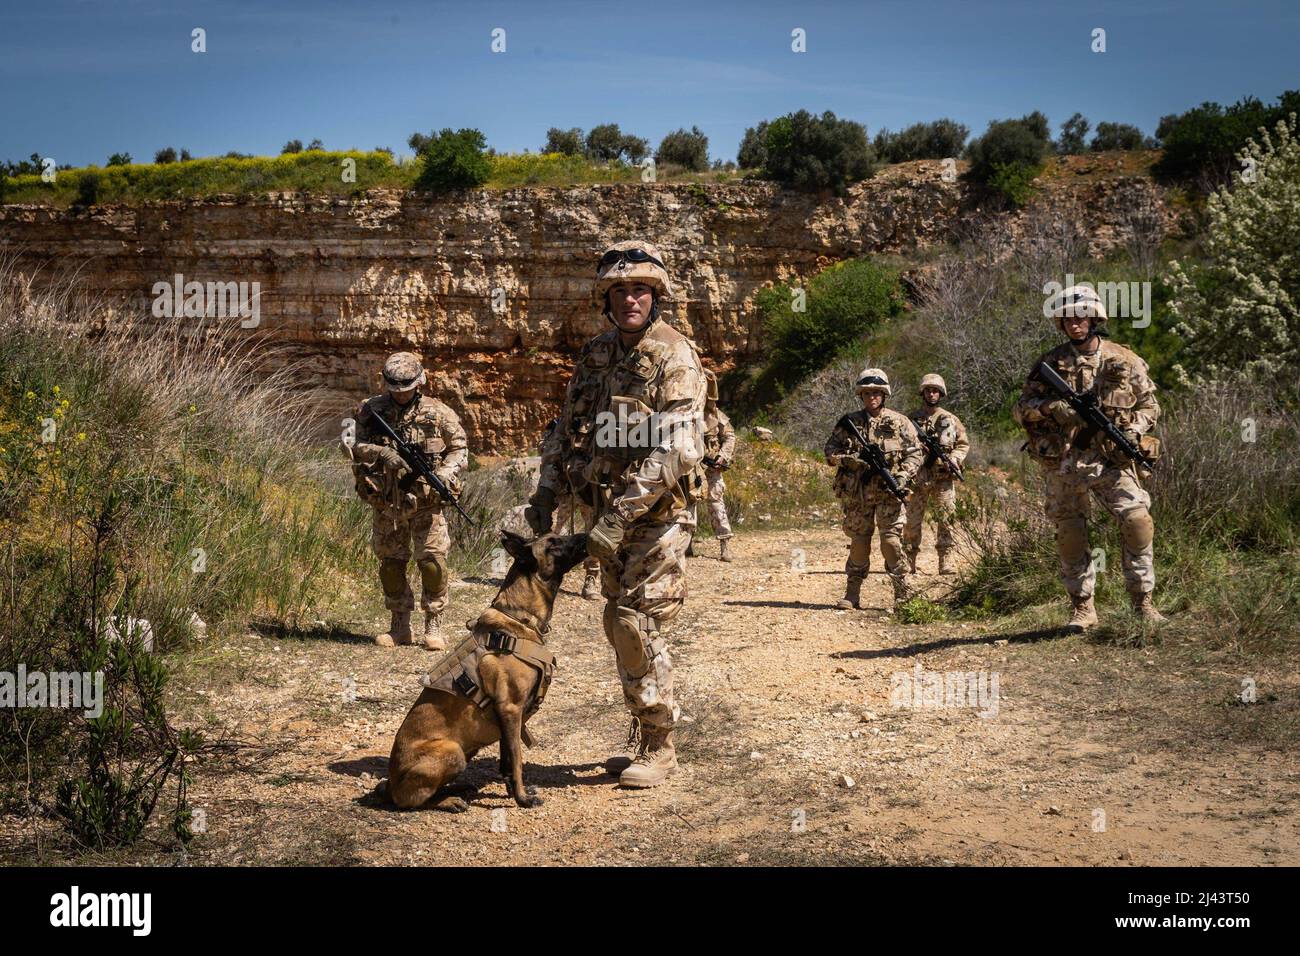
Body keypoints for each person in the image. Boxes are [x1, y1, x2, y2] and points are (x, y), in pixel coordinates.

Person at [525, 240, 706, 788]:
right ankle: (642, 732)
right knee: (617, 622)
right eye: (621, 290)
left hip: (655, 516)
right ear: (606, 297)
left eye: (641, 289)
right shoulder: (598, 353)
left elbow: (679, 447)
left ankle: (660, 745)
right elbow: (565, 428)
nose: (631, 299)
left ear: (657, 295)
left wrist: (620, 515)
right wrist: (547, 493)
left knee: (636, 622)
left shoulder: (675, 355)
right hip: (607, 514)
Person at [1012, 285, 1166, 631]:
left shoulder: (1124, 359)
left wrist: (1134, 430)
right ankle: (1083, 609)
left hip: (1113, 459)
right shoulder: (1049, 364)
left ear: (1094, 318)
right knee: (1071, 532)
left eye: (1080, 316)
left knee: (1137, 522)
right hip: (1067, 462)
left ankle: (1143, 603)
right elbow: (1020, 410)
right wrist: (1052, 408)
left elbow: (1150, 405)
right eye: (1067, 318)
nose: (1074, 323)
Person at [344, 351, 468, 651]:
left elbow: (459, 448)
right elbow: (351, 444)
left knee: (432, 563)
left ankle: (433, 624)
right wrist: (379, 453)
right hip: (387, 499)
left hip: (426, 501)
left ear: (419, 383)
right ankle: (399, 626)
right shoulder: (370, 410)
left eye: (407, 389)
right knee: (391, 563)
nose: (400, 395)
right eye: (395, 389)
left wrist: (442, 473)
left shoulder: (439, 413)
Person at [823, 368, 923, 612]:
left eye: (876, 393)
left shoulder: (900, 422)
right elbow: (830, 452)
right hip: (857, 493)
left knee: (890, 542)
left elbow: (916, 453)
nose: (872, 398)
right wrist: (849, 460)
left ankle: (903, 595)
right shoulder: (849, 422)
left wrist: (902, 475)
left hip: (889, 491)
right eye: (867, 393)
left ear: (884, 394)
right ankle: (852, 594)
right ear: (861, 395)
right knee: (859, 543)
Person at [903, 373, 970, 575]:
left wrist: (955, 460)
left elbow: (963, 444)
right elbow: (901, 445)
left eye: (935, 391)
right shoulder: (910, 420)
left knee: (947, 520)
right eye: (928, 390)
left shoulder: (950, 419)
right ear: (922, 392)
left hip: (943, 477)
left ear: (941, 393)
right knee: (911, 521)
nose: (931, 394)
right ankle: (908, 560)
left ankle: (946, 561)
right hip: (918, 477)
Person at [687, 369, 736, 562]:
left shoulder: (715, 415)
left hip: (712, 466)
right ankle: (686, 544)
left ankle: (725, 545)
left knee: (716, 500)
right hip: (688, 465)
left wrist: (722, 456)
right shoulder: (684, 413)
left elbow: (729, 436)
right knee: (687, 503)